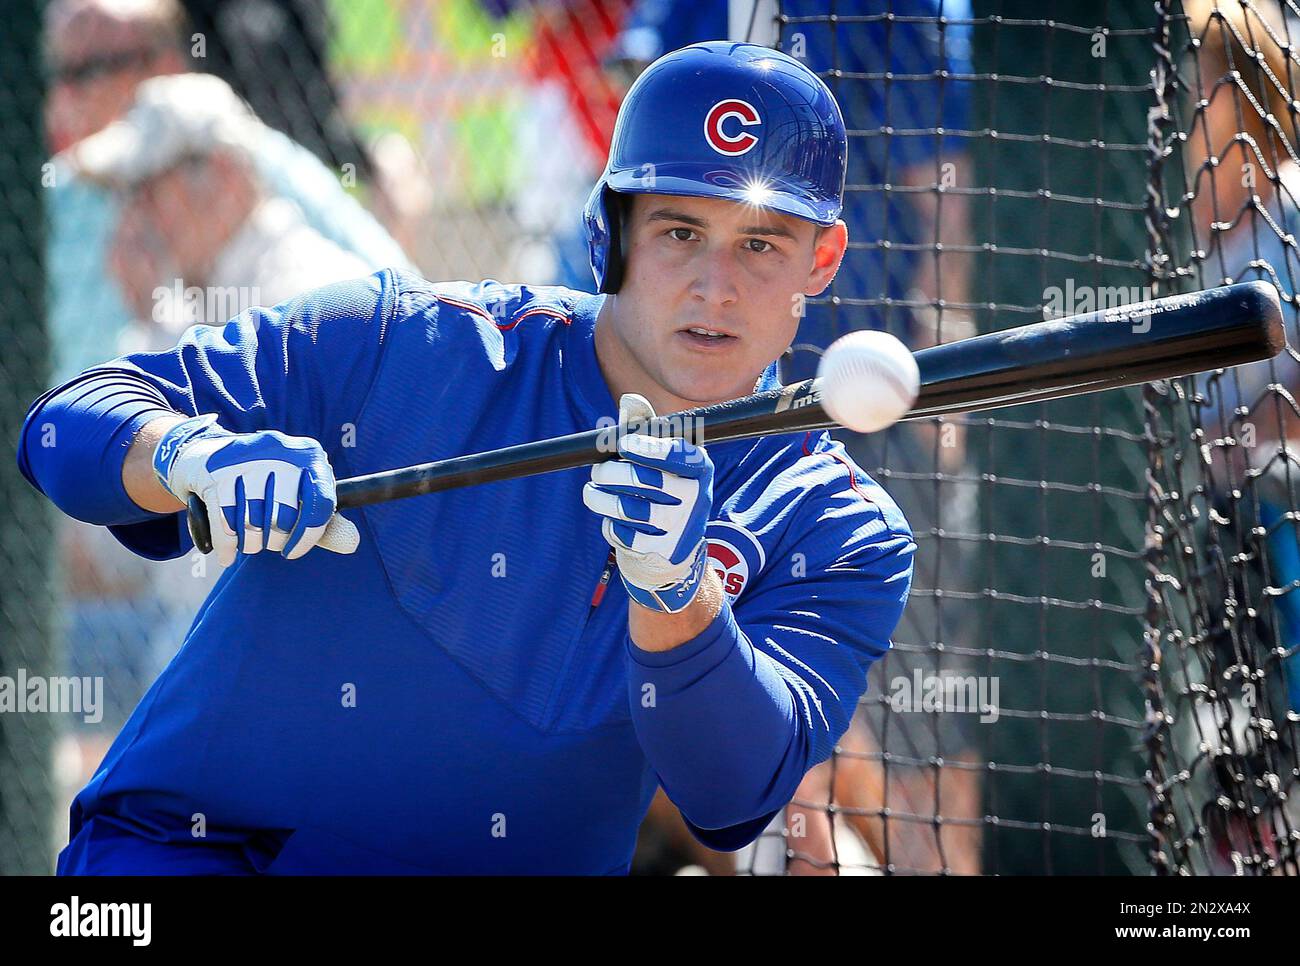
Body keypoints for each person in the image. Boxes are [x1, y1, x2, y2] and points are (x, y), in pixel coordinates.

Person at [21, 42, 915, 875]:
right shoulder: (407, 343)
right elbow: (60, 430)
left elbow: (734, 798)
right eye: (679, 231)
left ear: (823, 259)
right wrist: (191, 454)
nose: (714, 286)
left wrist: (681, 596)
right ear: (610, 236)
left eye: (760, 244)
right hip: (198, 856)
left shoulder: (838, 526)